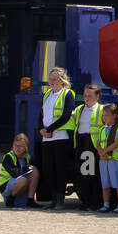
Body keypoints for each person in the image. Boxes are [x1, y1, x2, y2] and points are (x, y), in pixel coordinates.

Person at [37, 66, 76, 209]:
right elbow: (41, 114)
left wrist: (50, 129)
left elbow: (66, 116)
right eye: (50, 79)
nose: (52, 82)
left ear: (62, 81)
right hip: (46, 137)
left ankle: (60, 199)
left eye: (55, 79)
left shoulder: (67, 94)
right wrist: (41, 128)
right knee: (48, 168)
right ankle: (53, 198)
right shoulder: (47, 95)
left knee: (60, 168)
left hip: (61, 137)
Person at [69, 82, 105, 211]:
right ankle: (86, 201)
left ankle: (95, 202)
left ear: (97, 96)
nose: (87, 97)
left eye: (90, 95)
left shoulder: (101, 110)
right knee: (83, 174)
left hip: (94, 145)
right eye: (85, 95)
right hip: (81, 143)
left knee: (94, 175)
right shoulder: (79, 109)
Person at [96, 103, 118, 212]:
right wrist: (100, 152)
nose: (104, 117)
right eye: (103, 115)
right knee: (105, 183)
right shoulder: (102, 129)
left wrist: (105, 151)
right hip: (103, 160)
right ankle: (106, 204)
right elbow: (98, 142)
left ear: (115, 115)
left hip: (116, 160)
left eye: (107, 115)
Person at [0, 133, 41, 207]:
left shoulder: (27, 157)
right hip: (6, 186)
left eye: (20, 146)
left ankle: (30, 200)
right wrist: (26, 169)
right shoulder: (8, 157)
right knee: (23, 180)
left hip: (20, 183)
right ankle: (10, 199)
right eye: (15, 145)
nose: (17, 148)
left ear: (25, 148)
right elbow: (15, 173)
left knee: (35, 170)